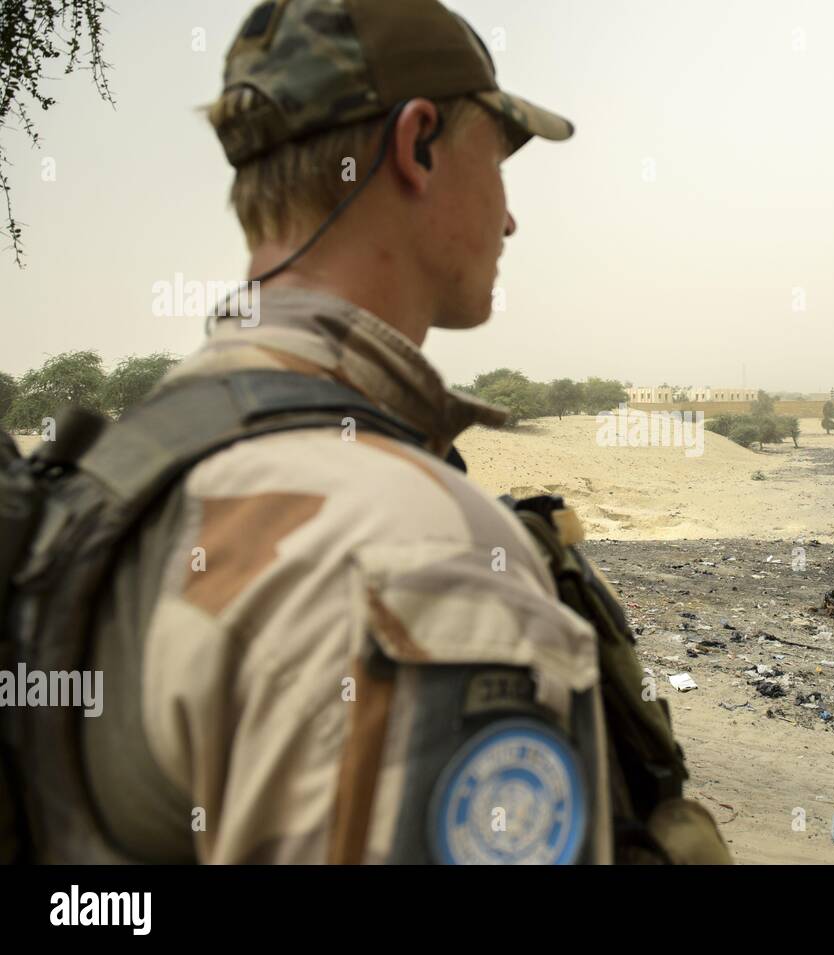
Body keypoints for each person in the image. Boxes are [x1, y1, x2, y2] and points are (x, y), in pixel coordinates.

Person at [28, 0, 729, 865]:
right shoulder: (419, 552)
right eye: (502, 158)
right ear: (417, 143)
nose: (510, 219)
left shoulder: (122, 468)